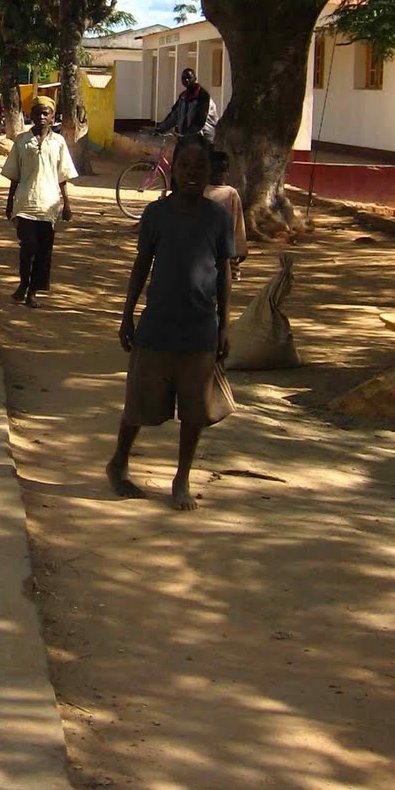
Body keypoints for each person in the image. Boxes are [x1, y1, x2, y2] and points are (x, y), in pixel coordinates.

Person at [108, 133, 235, 510]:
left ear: (210, 171)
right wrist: (127, 313)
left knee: (194, 411)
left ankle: (182, 478)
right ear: (173, 170)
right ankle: (118, 462)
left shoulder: (218, 217)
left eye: (199, 167)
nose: (191, 174)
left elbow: (224, 271)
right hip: (157, 324)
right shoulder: (156, 214)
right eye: (184, 166)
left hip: (199, 329)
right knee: (138, 404)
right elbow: (141, 264)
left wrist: (225, 324)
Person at [2, 95, 78, 307]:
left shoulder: (59, 142)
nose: (42, 117)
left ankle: (33, 291)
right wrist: (9, 204)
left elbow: (62, 176)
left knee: (44, 251)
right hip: (25, 203)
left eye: (46, 113)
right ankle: (23, 283)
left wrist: (67, 205)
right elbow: (14, 175)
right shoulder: (22, 141)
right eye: (38, 113)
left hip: (50, 204)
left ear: (53, 116)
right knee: (28, 247)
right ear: (31, 115)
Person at [206, 149, 247, 280]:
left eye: (221, 170)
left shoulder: (231, 194)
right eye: (214, 170)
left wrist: (240, 248)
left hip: (225, 245)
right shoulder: (200, 190)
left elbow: (238, 221)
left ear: (227, 172)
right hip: (203, 245)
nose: (217, 174)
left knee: (224, 277)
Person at [156, 66, 218, 140]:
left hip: (204, 138)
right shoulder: (183, 97)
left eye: (189, 77)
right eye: (184, 78)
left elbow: (200, 120)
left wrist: (187, 134)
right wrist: (160, 129)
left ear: (195, 78)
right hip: (187, 138)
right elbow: (174, 116)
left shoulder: (203, 97)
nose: (186, 80)